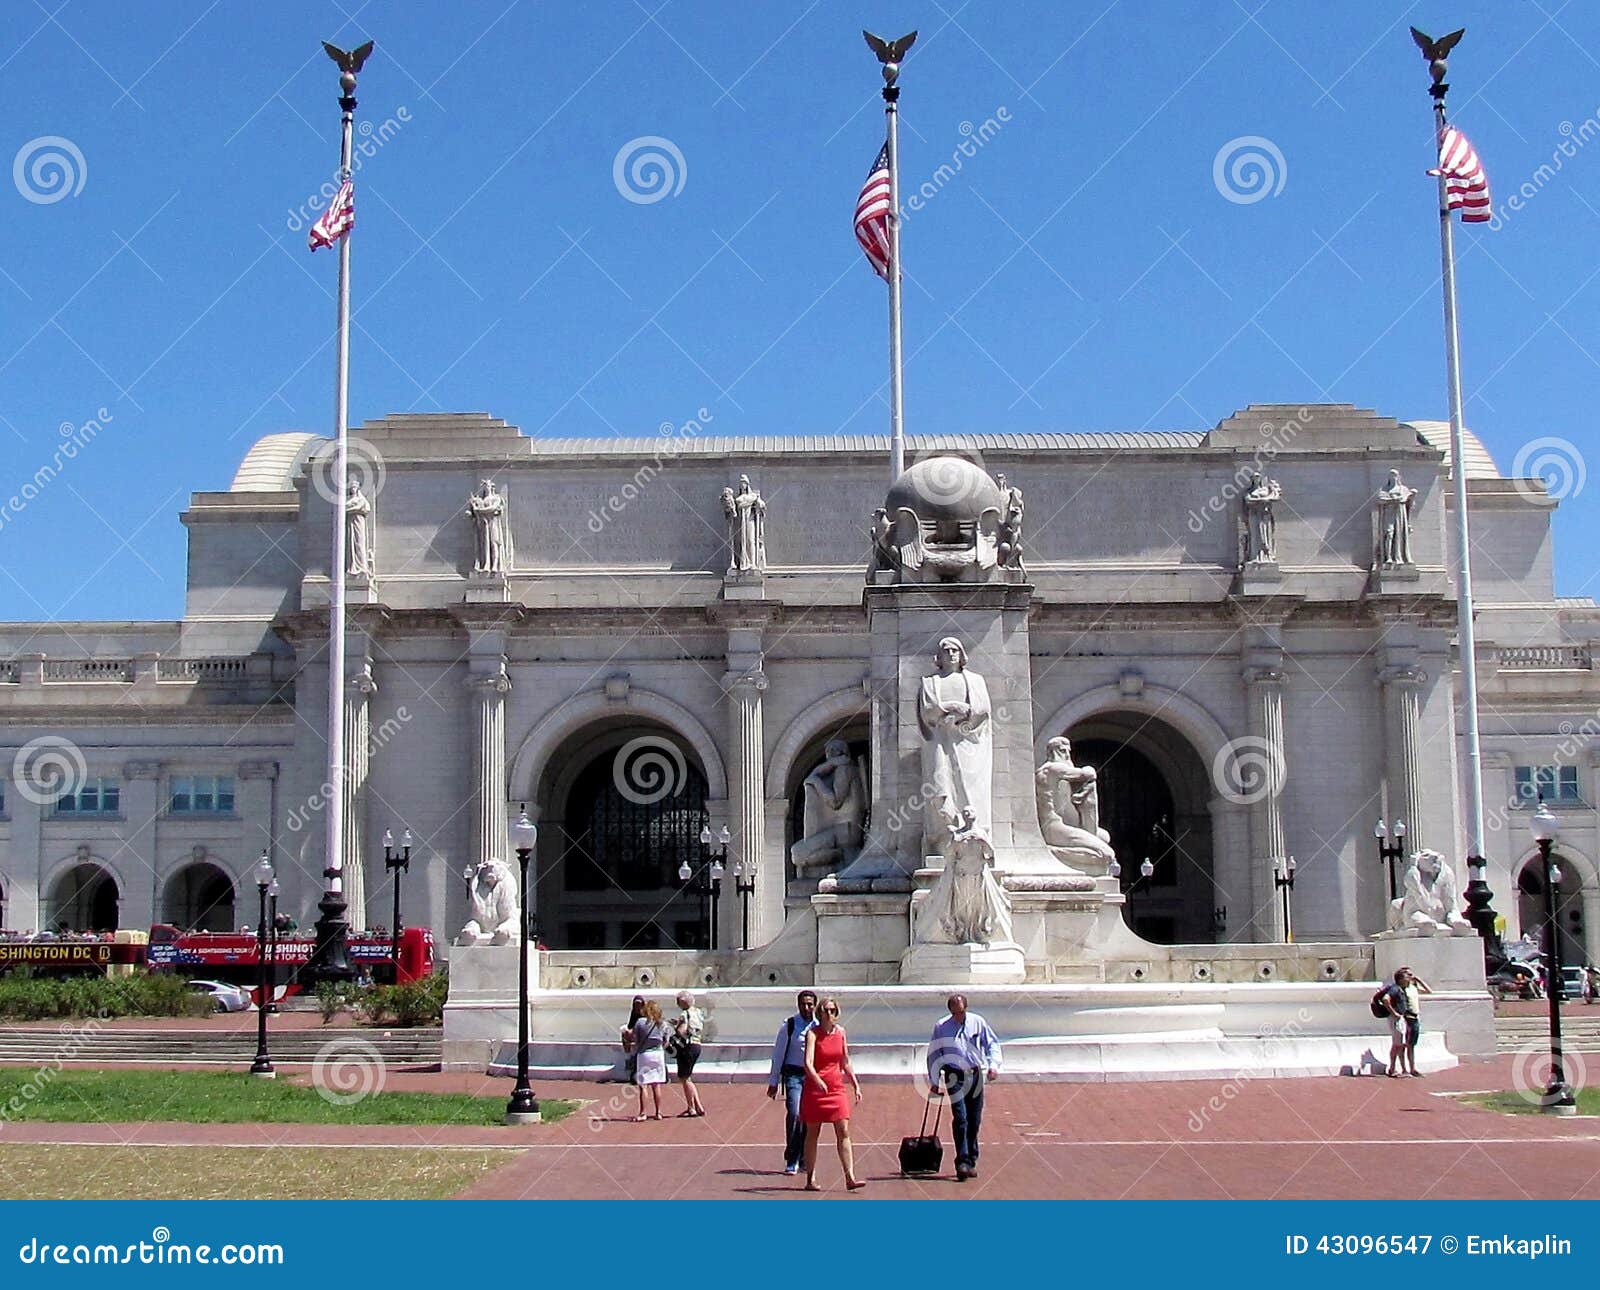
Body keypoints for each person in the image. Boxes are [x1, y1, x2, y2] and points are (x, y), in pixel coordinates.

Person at [927, 994, 1002, 1181]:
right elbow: (934, 1054)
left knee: (974, 1118)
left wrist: (994, 1065)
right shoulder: (942, 1027)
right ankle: (962, 1159)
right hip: (954, 1075)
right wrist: (934, 1080)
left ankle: (971, 1159)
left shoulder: (977, 1022)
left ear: (966, 1009)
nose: (958, 1016)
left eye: (961, 1012)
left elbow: (991, 1043)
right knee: (960, 1117)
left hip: (974, 1074)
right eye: (955, 1013)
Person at [799, 996, 864, 1192]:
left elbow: (845, 1061)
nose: (829, 1014)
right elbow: (808, 1062)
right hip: (815, 1090)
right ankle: (810, 1178)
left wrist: (855, 1084)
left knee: (843, 1131)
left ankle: (850, 1177)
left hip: (836, 1088)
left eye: (832, 1010)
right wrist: (817, 1080)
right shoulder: (813, 1034)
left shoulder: (841, 1033)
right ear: (819, 1013)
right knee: (813, 1132)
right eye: (826, 1010)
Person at [766, 990, 818, 1175]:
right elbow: (778, 1054)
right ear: (798, 1005)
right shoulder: (789, 1025)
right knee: (795, 1113)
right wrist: (773, 1081)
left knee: (809, 1117)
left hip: (812, 1077)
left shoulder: (819, 1026)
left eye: (810, 1004)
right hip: (793, 1075)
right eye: (803, 1004)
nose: (806, 1007)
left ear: (815, 1005)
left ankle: (804, 1157)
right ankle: (792, 1157)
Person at [1381, 967, 1432, 1078]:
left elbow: (1429, 991)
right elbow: (1385, 999)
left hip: (1415, 1018)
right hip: (1406, 1018)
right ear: (1400, 978)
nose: (1410, 976)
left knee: (1411, 1044)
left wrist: (1419, 981)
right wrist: (1394, 1013)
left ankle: (1411, 1068)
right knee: (1400, 1045)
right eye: (1407, 975)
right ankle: (1398, 1068)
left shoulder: (1412, 987)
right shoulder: (1397, 989)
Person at [631, 999, 670, 1120]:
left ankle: (643, 1113)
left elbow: (635, 1039)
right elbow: (666, 1041)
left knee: (643, 1085)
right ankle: (658, 1112)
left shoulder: (640, 1022)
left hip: (644, 1054)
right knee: (656, 1084)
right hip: (658, 1054)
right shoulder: (662, 1023)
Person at [672, 990, 707, 1117]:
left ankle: (691, 1108)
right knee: (688, 1077)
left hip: (687, 1046)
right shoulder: (697, 1012)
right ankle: (698, 1105)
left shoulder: (684, 1014)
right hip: (697, 1044)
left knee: (684, 1078)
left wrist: (676, 1027)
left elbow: (682, 1031)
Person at [618, 995, 645, 1083]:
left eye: (639, 1004)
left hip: (645, 1034)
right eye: (636, 1004)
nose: (637, 1006)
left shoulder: (645, 1014)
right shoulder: (634, 1014)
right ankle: (628, 1054)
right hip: (636, 1034)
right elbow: (630, 1025)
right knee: (625, 1033)